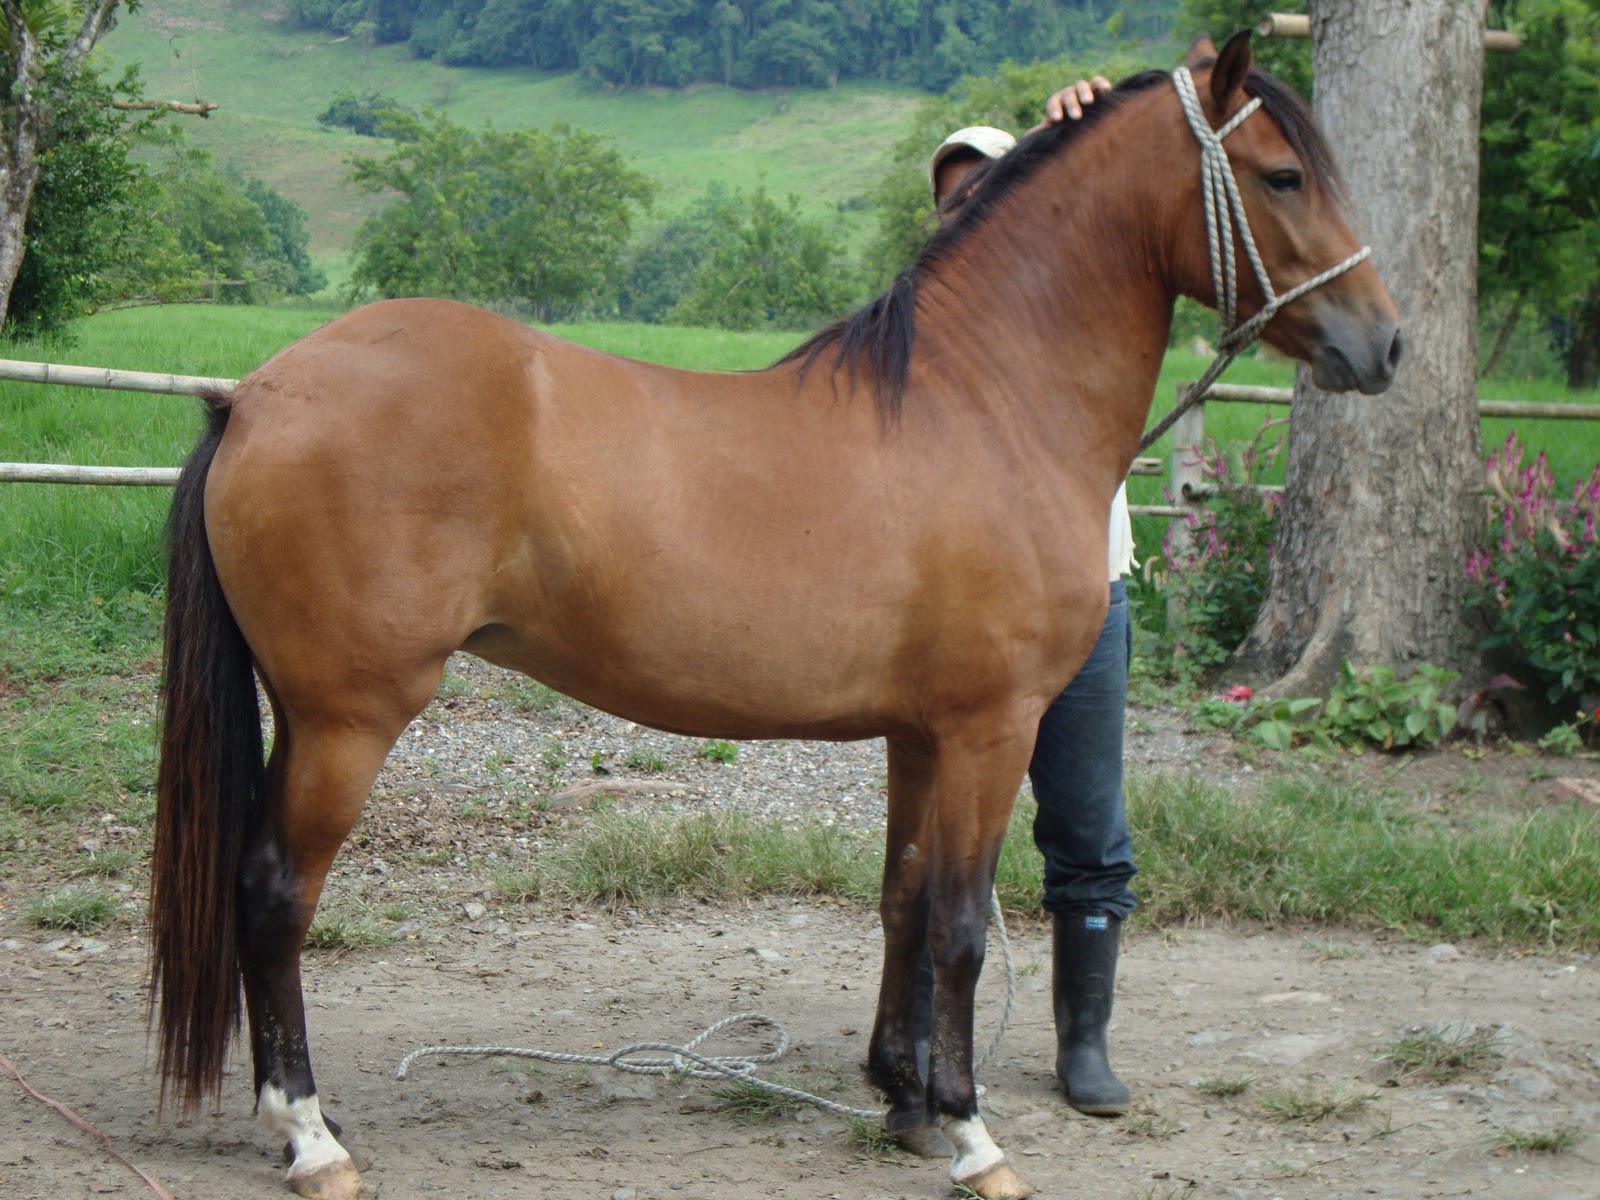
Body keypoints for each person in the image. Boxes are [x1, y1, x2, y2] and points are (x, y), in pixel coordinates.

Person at [919, 75, 1138, 1128]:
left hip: (1090, 590)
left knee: (1088, 828)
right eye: (950, 201)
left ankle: (1082, 1040)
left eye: (988, 192)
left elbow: (1104, 202)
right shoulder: (935, 327)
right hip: (974, 606)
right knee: (941, 828)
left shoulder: (1068, 311)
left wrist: (1076, 128)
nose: (967, 210)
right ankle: (918, 1033)